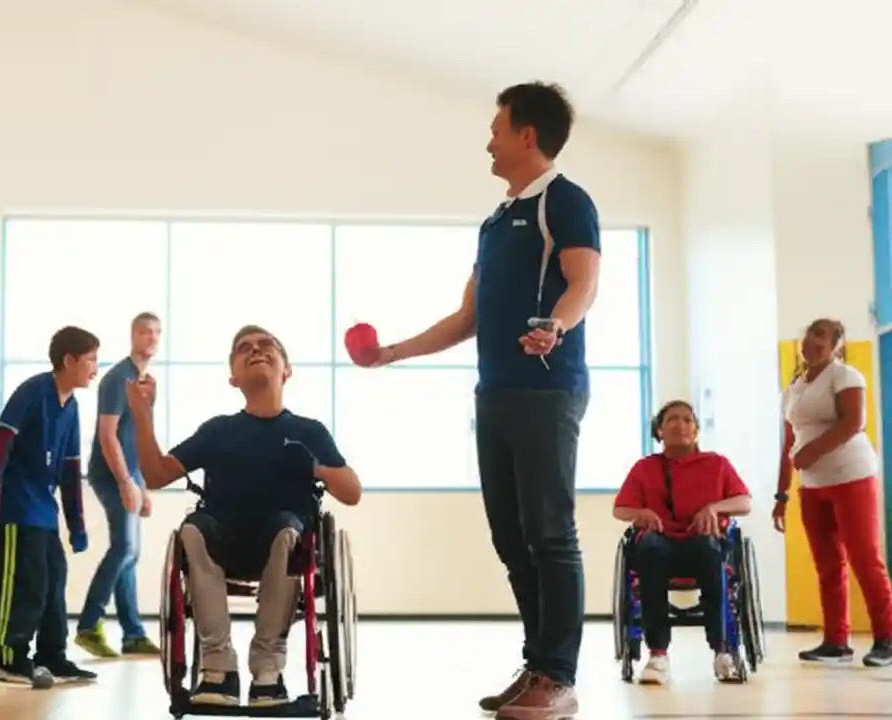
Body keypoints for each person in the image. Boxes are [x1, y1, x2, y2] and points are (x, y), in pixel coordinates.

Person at [356, 82, 599, 718]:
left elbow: (584, 282)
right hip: (494, 393)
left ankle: (560, 675)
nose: (488, 141)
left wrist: (557, 325)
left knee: (550, 534)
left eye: (497, 128)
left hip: (548, 389)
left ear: (526, 135)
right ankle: (537, 662)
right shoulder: (495, 221)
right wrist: (392, 352)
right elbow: (468, 316)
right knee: (512, 539)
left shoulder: (566, 202)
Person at [127, 325, 363, 708]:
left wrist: (319, 468)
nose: (257, 349)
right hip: (222, 540)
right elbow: (155, 475)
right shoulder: (219, 430)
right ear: (233, 377)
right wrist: (141, 414)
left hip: (284, 542)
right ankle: (218, 669)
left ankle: (268, 671)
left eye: (268, 345)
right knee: (192, 530)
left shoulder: (308, 432)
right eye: (244, 348)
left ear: (286, 370)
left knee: (286, 531)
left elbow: (351, 492)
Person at [0, 325, 100, 686]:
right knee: (20, 582)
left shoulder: (71, 406)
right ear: (69, 359)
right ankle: (4, 657)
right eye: (91, 360)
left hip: (43, 512)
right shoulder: (33, 391)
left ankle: (52, 657)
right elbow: (0, 445)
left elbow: (71, 468)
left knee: (52, 580)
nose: (94, 368)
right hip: (14, 508)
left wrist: (76, 524)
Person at [774, 318, 892, 667]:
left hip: (851, 476)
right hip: (812, 486)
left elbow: (852, 423)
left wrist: (813, 452)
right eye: (809, 333)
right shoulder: (794, 387)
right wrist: (782, 495)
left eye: (821, 335)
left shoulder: (845, 376)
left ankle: (886, 637)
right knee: (827, 564)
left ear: (837, 344)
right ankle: (836, 641)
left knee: (865, 559)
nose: (812, 340)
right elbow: (789, 443)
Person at [612, 400, 752, 684]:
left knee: (709, 549)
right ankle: (658, 654)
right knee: (649, 549)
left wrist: (714, 508)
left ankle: (722, 650)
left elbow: (745, 502)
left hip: (701, 544)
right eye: (672, 419)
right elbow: (620, 509)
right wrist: (641, 513)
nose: (681, 424)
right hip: (660, 546)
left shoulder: (717, 464)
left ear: (697, 430)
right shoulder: (645, 468)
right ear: (659, 431)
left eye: (687, 420)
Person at [75, 312, 163, 658]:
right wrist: (126, 481)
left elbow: (138, 436)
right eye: (145, 332)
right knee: (124, 548)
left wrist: (143, 484)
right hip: (110, 474)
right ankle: (87, 625)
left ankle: (132, 634)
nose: (151, 338)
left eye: (156, 332)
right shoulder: (117, 380)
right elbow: (108, 435)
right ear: (132, 336)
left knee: (131, 551)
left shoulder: (145, 382)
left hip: (131, 473)